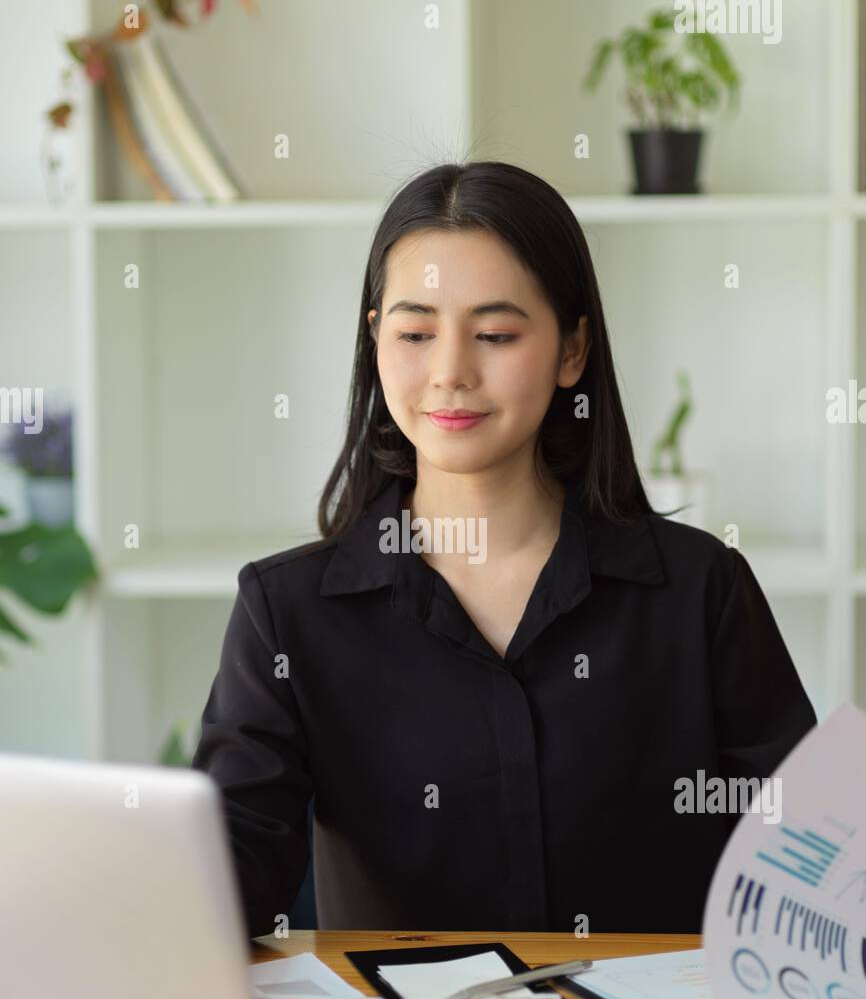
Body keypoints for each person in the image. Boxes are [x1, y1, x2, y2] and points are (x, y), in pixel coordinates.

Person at [191, 161, 816, 937]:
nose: (450, 372)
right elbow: (227, 875)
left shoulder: (699, 590)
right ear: (376, 339)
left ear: (572, 352)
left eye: (494, 334)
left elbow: (803, 863)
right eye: (416, 332)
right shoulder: (286, 615)